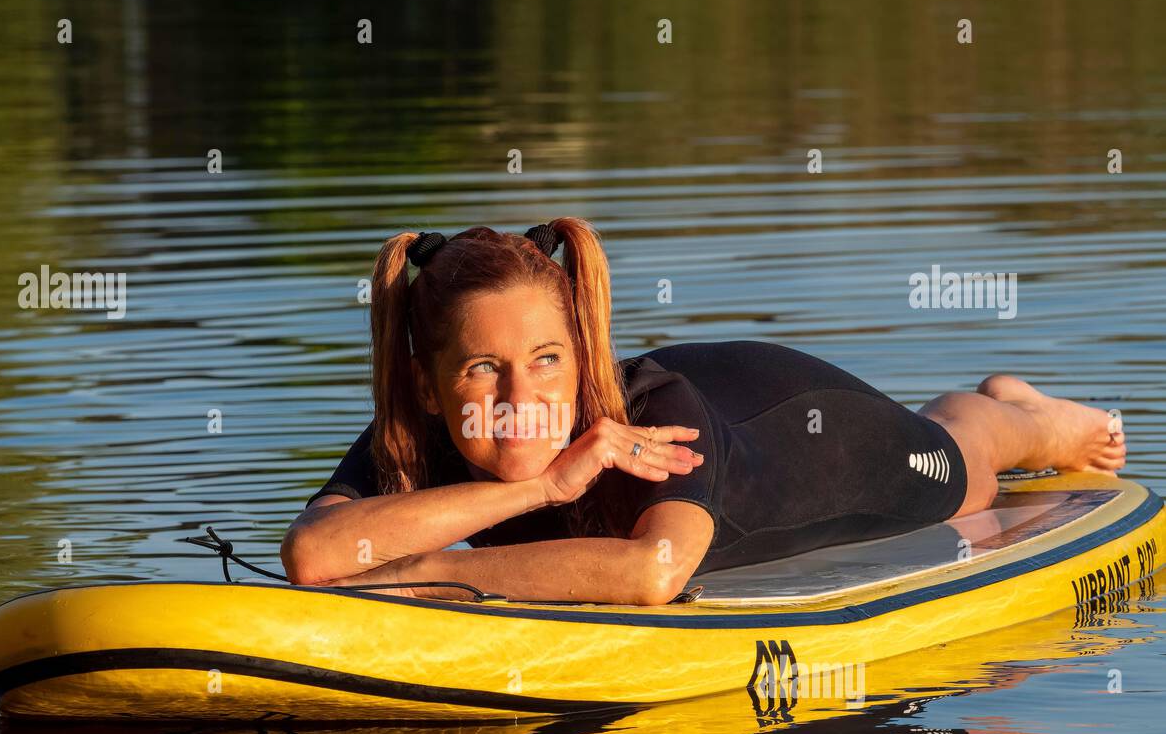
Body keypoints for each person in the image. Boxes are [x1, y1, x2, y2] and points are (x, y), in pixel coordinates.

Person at [281, 219, 1126, 605]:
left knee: (963, 466)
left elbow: (653, 573)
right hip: (732, 392)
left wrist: (428, 571)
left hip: (807, 434)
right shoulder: (421, 429)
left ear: (582, 357)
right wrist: (538, 492)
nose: (520, 402)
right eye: (480, 370)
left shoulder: (658, 419)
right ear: (429, 386)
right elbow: (314, 555)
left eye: (547, 362)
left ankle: (1018, 409)